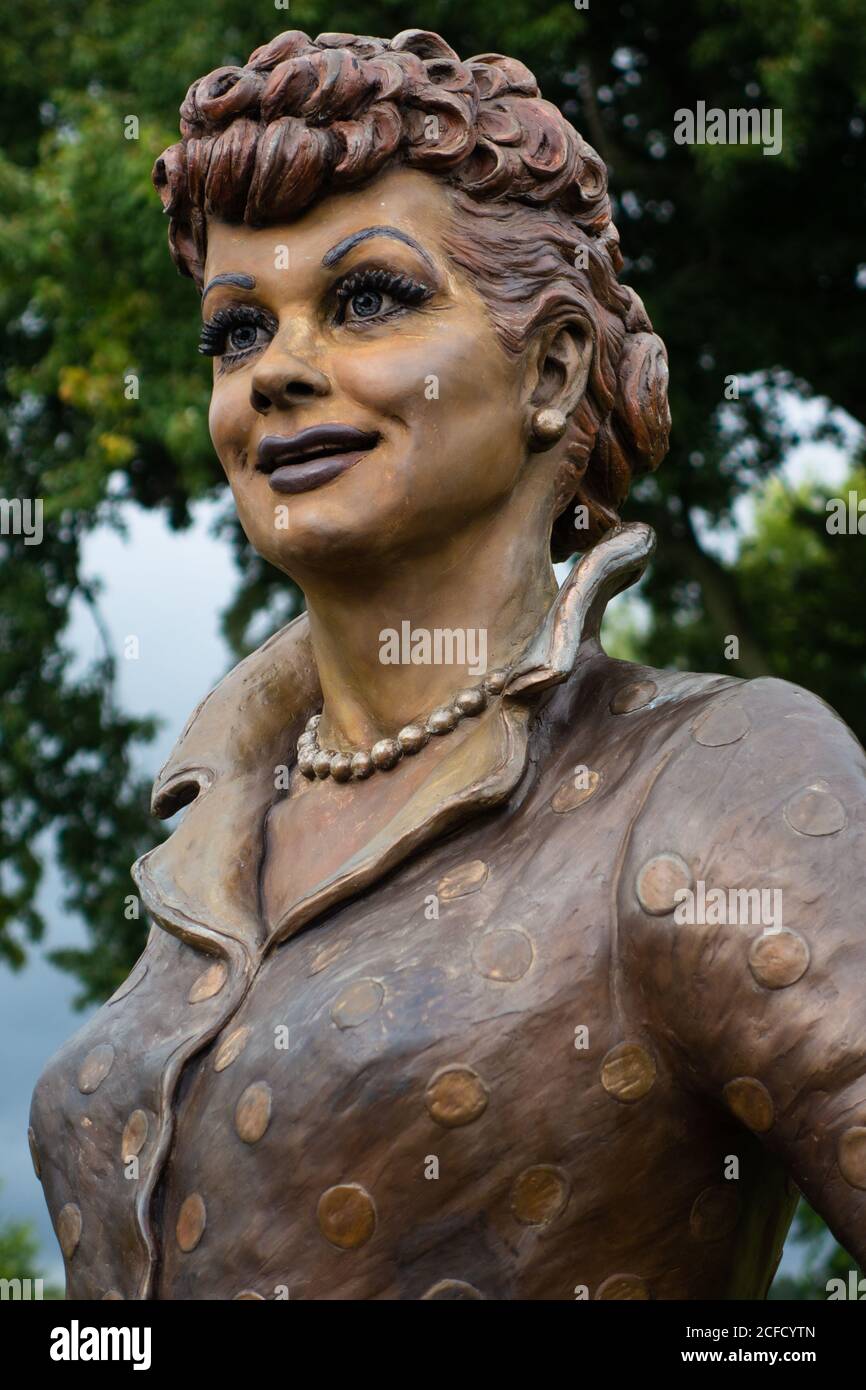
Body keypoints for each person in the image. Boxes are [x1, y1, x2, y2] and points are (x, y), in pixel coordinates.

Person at [30, 27, 866, 1301]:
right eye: (235, 331)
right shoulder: (208, 842)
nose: (277, 374)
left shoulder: (715, 782)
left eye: (368, 299)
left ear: (549, 372)